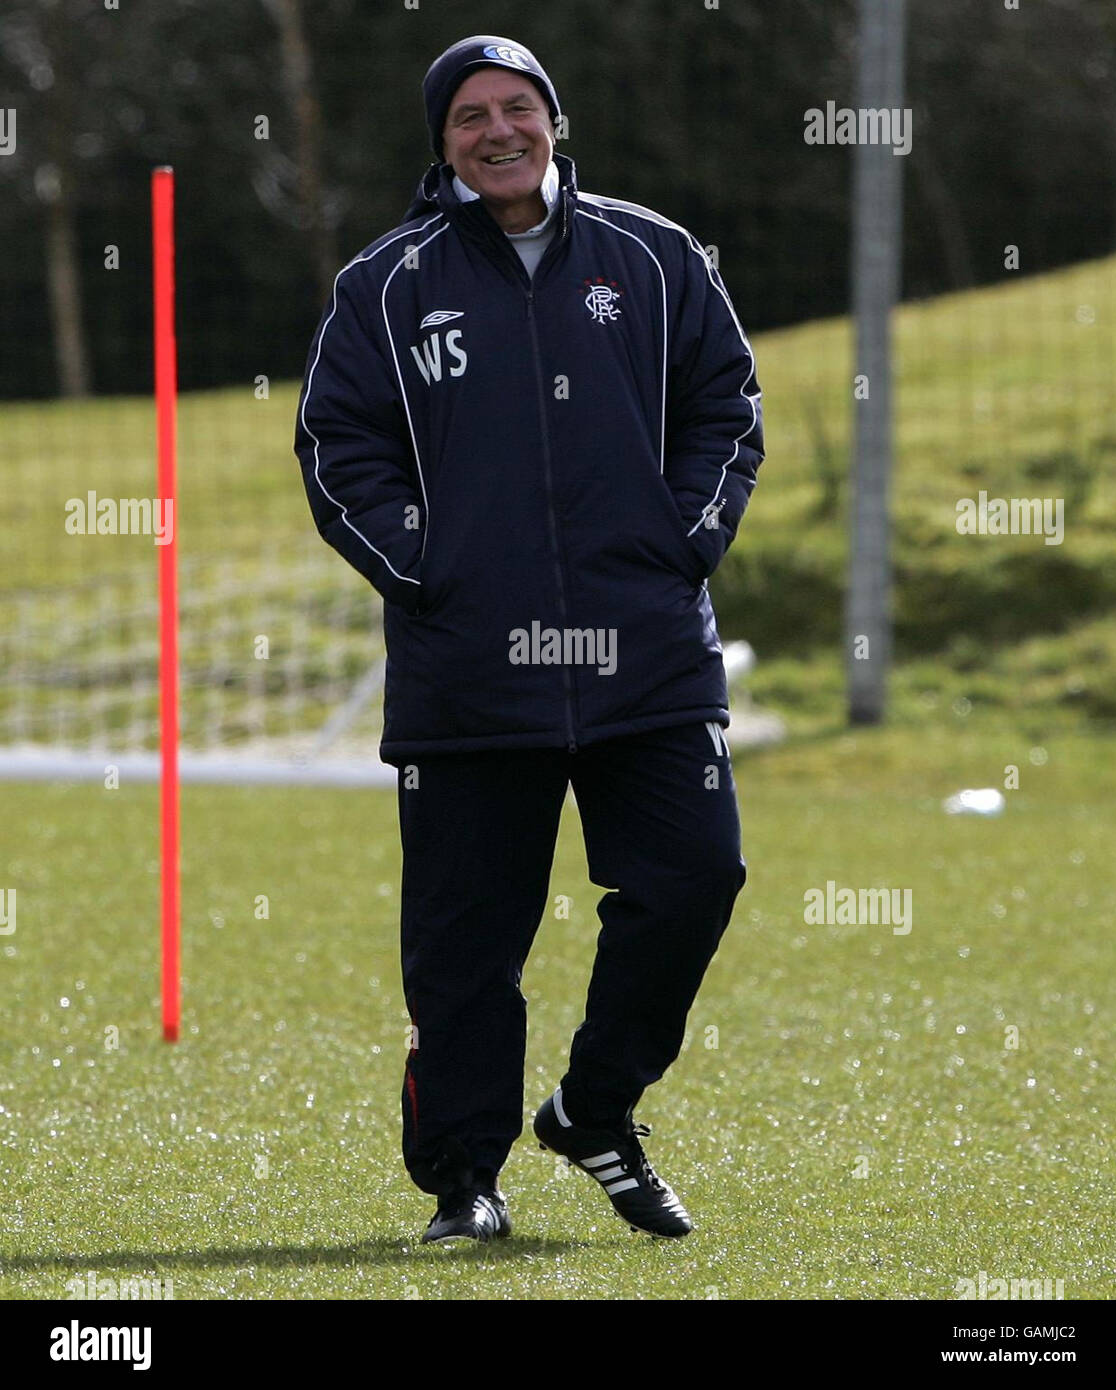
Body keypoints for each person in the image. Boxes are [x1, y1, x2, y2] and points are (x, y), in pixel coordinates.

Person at [295, 34, 765, 1244]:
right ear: (441, 140)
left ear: (554, 121)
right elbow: (336, 448)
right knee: (466, 944)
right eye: (468, 117)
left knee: (694, 877)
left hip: (644, 654)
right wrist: (433, 569)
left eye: (518, 108)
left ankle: (595, 1110)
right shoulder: (384, 285)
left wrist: (684, 541)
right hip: (471, 672)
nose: (496, 131)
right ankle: (465, 1180)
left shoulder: (657, 258)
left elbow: (727, 403)